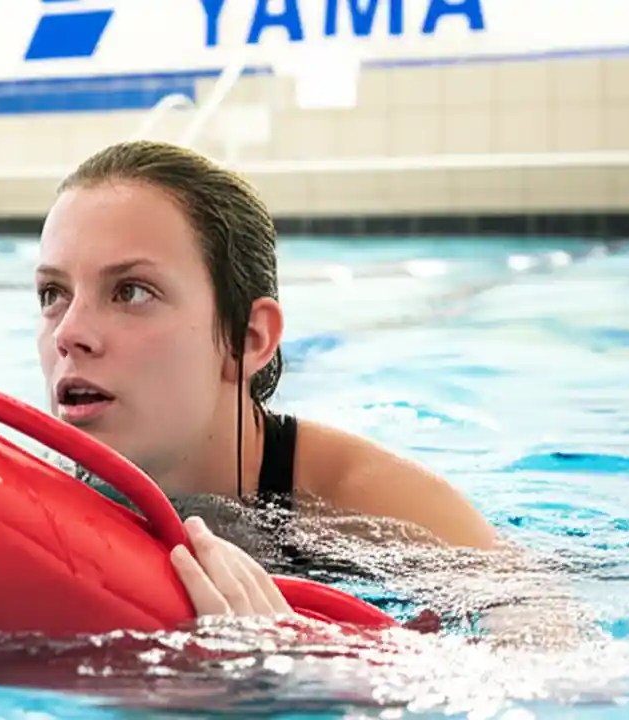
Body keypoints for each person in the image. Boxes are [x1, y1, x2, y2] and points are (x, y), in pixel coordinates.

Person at [33, 139, 500, 620]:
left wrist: (295, 666)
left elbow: (540, 654)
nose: (68, 333)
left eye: (130, 292)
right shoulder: (32, 488)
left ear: (249, 339)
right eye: (53, 293)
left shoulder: (374, 507)